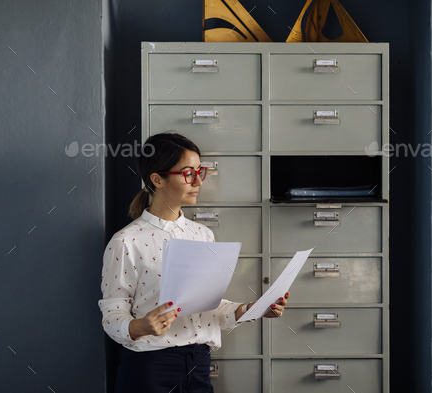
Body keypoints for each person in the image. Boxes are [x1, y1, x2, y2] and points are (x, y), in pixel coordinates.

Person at [98, 131, 290, 393]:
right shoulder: (126, 241)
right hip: (150, 367)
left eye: (201, 171)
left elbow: (209, 305)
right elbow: (111, 314)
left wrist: (251, 309)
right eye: (188, 173)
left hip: (199, 365)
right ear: (158, 179)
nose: (198, 181)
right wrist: (139, 326)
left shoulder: (203, 234)